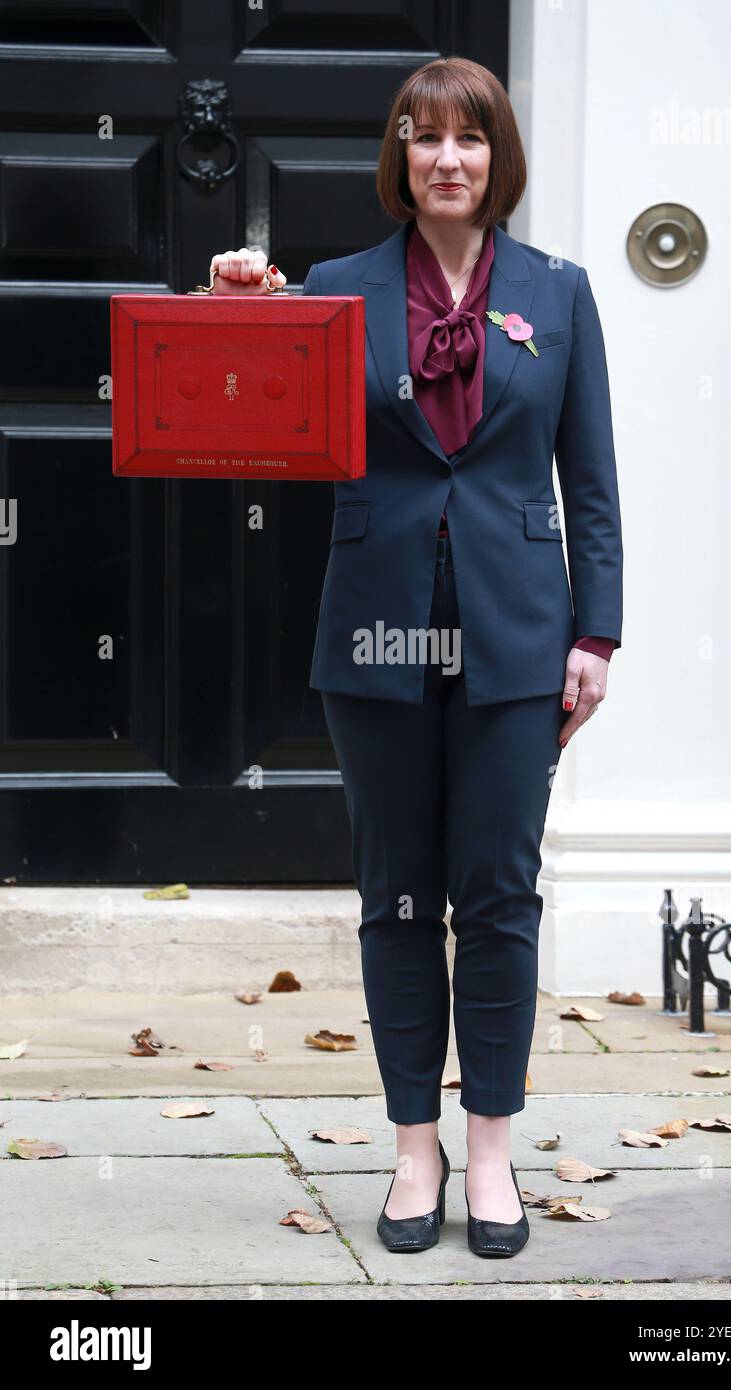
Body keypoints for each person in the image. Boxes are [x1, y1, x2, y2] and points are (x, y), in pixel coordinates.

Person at [209, 55, 623, 1258]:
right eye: (424, 136)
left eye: (470, 138)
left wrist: (593, 631)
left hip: (515, 640)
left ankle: (488, 1144)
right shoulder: (334, 290)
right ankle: (412, 1147)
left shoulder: (559, 293)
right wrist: (243, 297)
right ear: (399, 156)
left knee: (497, 897)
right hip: (376, 638)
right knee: (395, 899)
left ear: (499, 158)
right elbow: (241, 397)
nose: (447, 157)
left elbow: (588, 483)